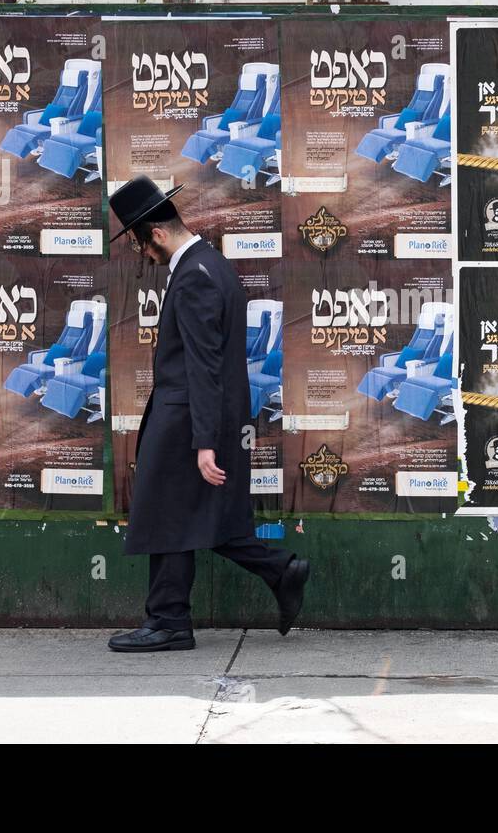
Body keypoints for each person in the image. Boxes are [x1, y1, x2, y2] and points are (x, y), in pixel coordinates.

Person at [105, 176, 310, 652]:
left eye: (139, 243)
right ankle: (271, 574)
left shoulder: (195, 274)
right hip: (192, 417)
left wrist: (203, 442)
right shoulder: (211, 265)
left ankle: (169, 620)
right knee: (187, 517)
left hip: (185, 421)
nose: (143, 255)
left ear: (154, 233)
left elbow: (203, 365)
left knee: (165, 515)